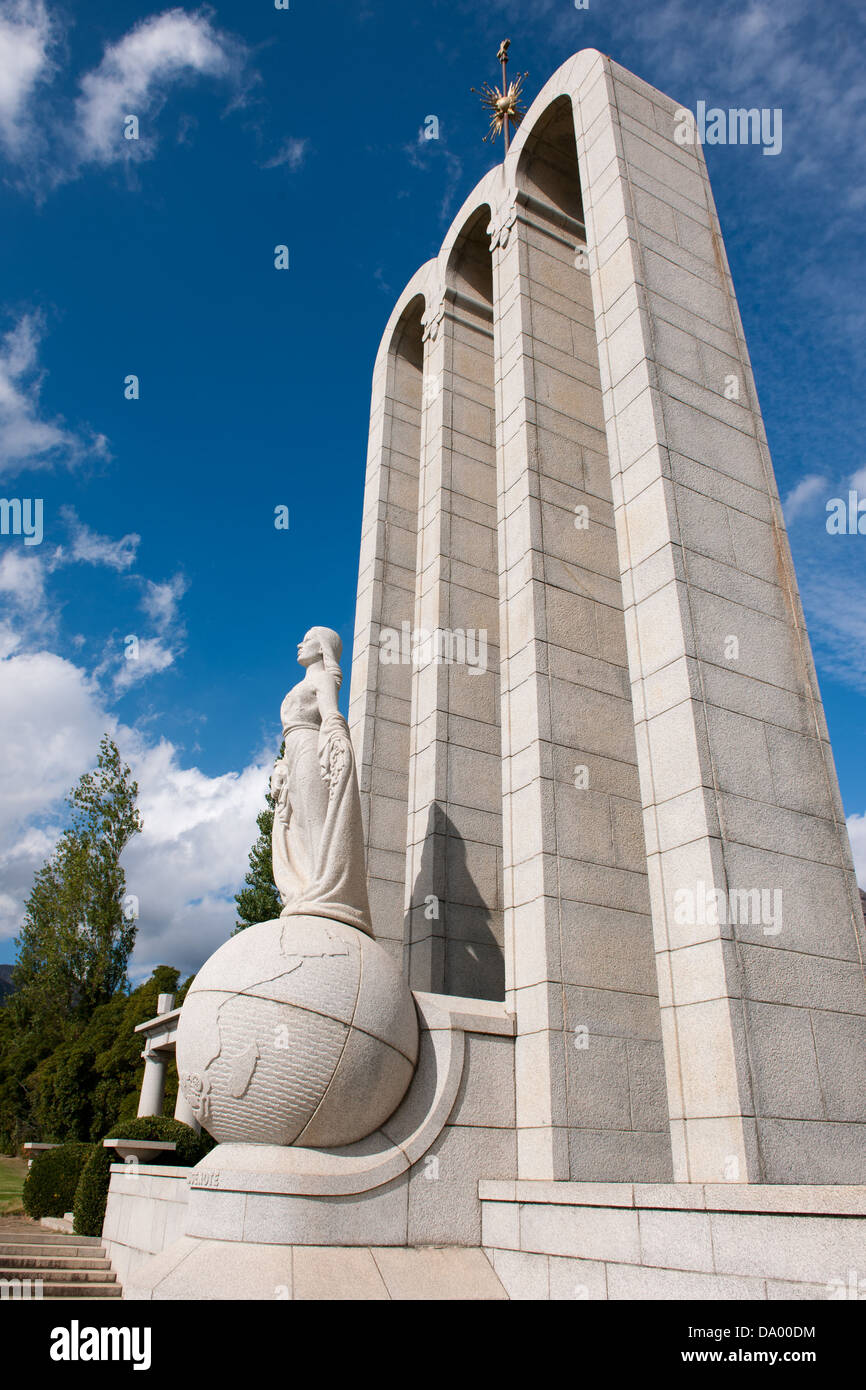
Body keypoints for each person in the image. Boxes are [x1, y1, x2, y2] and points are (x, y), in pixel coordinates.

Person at [271, 627, 373, 936]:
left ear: (323, 647)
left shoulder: (323, 679)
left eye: (308, 639)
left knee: (317, 822)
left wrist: (338, 748)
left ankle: (322, 888)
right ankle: (303, 890)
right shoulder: (304, 682)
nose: (300, 644)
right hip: (293, 755)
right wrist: (281, 766)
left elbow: (331, 715)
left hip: (311, 750)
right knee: (296, 826)